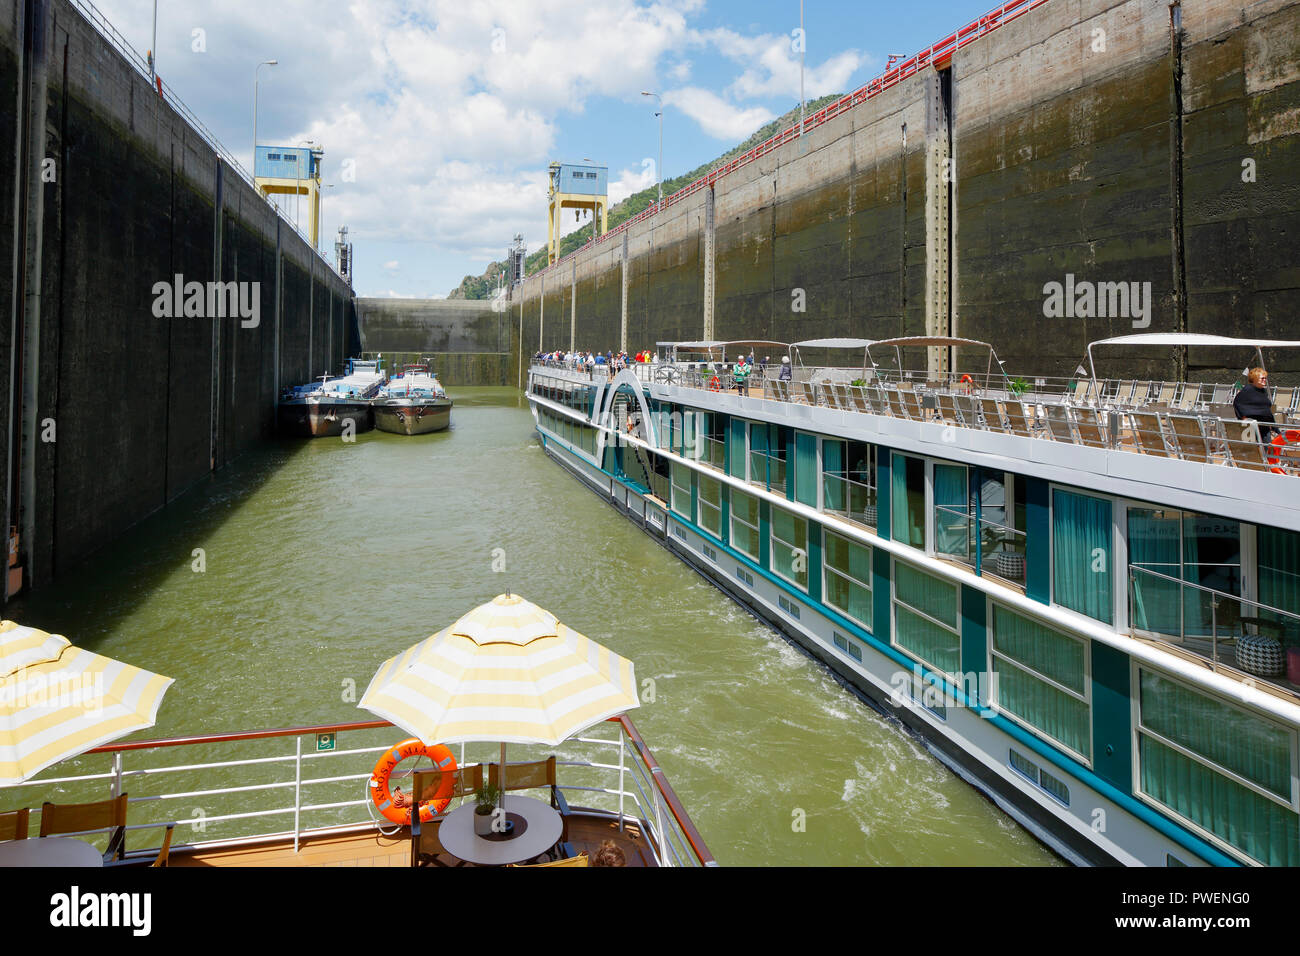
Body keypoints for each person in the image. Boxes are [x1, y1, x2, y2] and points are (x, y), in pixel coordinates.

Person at [1234, 367, 1277, 438]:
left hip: (1264, 427)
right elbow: (1237, 403)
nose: (1265, 380)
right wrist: (1243, 418)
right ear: (1254, 379)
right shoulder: (1247, 391)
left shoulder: (1262, 391)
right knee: (1258, 448)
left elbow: (1265, 408)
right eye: (1262, 378)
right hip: (1251, 427)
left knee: (1267, 447)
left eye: (1265, 378)